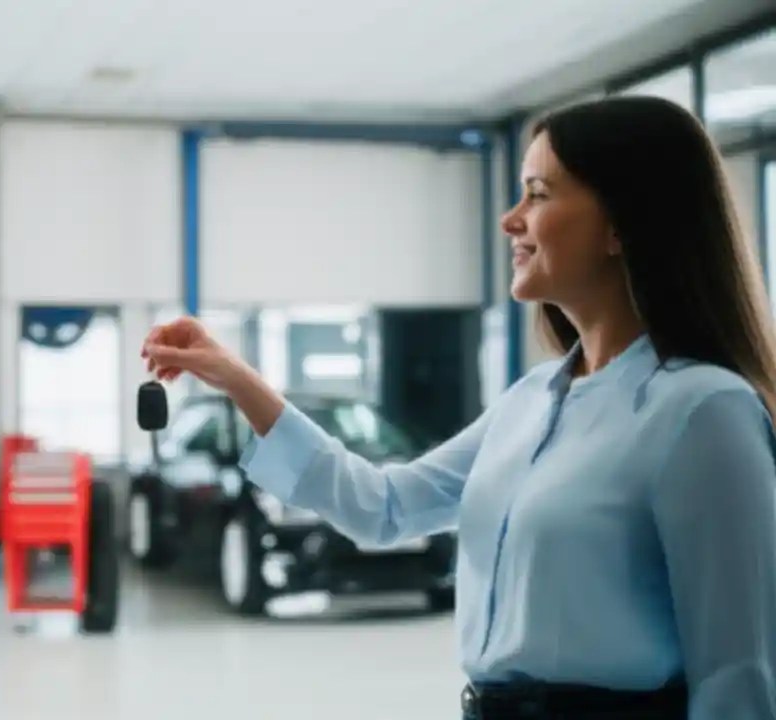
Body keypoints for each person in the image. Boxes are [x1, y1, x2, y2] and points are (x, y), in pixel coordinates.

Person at [143, 95, 776, 720]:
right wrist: (237, 380)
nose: (510, 219)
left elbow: (738, 674)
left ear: (621, 225)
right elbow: (384, 508)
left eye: (538, 193)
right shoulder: (532, 400)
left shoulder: (703, 412)